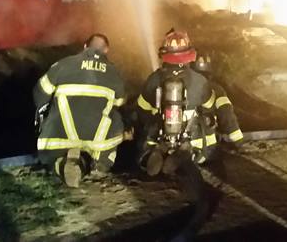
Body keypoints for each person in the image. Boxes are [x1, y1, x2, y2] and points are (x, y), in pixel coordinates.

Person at [33, 33, 126, 188]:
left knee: (52, 155)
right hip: (97, 139)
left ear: (85, 46)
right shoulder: (114, 73)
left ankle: (61, 163)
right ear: (107, 50)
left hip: (60, 134)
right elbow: (120, 102)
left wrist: (44, 117)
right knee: (116, 119)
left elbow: (39, 93)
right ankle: (93, 164)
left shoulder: (63, 65)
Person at [135, 29, 217, 176]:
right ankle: (185, 155)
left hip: (159, 136)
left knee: (146, 124)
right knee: (208, 119)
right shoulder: (200, 81)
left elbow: (141, 109)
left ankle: (156, 152)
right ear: (189, 54)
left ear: (164, 53)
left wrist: (153, 122)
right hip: (192, 139)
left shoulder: (154, 79)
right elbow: (210, 108)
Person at [193, 55, 244, 155]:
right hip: (206, 149)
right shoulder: (216, 90)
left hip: (181, 147)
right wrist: (238, 142)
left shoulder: (181, 88)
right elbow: (226, 115)